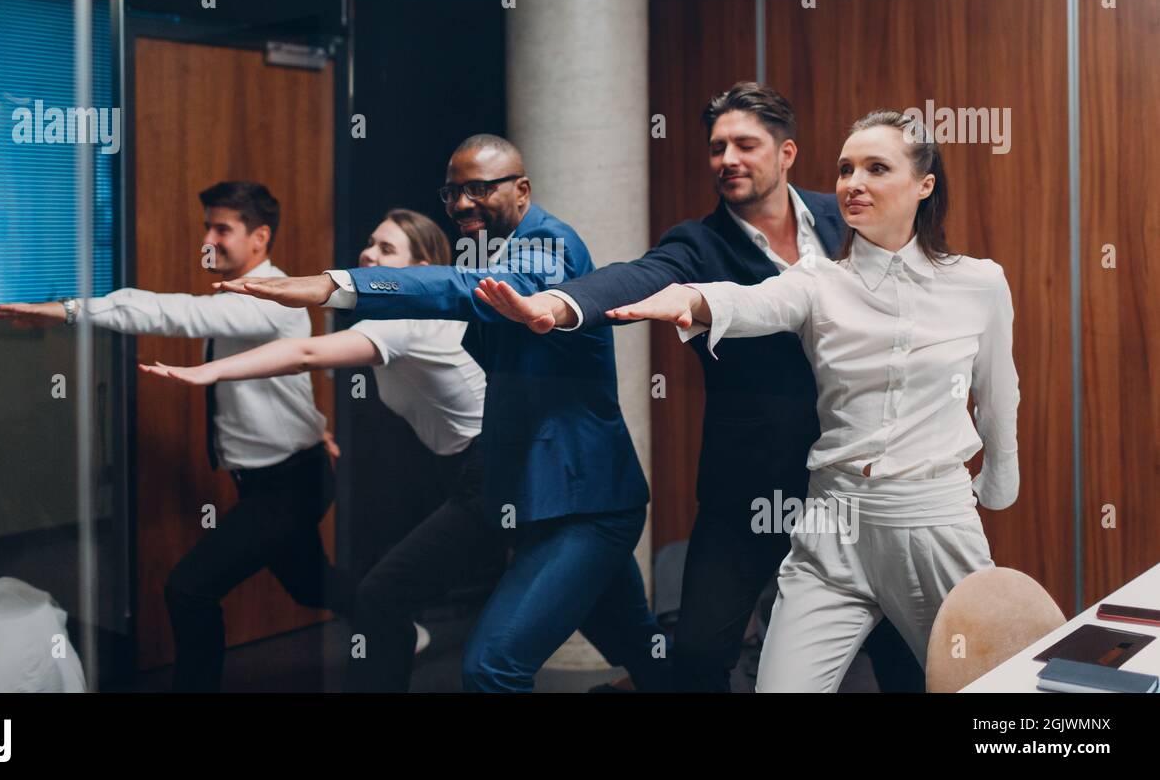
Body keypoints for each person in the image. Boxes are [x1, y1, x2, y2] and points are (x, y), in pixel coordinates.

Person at [473, 82, 923, 692]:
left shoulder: (844, 218)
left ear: (786, 153)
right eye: (716, 148)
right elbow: (635, 276)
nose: (727, 160)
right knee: (699, 655)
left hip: (857, 480)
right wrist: (558, 304)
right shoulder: (697, 244)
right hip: (749, 484)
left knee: (902, 648)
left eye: (744, 144)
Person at [215, 134, 672, 692]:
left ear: (522, 189)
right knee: (643, 650)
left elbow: (471, 289)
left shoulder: (548, 246)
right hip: (538, 499)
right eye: (453, 192)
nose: (460, 205)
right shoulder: (500, 250)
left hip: (583, 505)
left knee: (490, 669)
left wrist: (339, 285)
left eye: (479, 188)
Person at [596, 110, 1020, 691]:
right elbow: (751, 303)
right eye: (845, 169)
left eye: (876, 168)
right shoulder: (817, 281)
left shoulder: (981, 282)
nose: (853, 182)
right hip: (832, 527)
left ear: (924, 186)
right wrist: (690, 298)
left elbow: (998, 395)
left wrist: (1000, 475)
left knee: (985, 690)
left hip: (934, 525)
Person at [0, 180, 338, 692]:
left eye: (223, 229)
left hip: (291, 483)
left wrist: (69, 310)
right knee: (312, 585)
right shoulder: (239, 297)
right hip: (274, 476)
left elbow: (171, 312)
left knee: (189, 589)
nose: (209, 240)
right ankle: (390, 614)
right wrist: (316, 425)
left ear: (260, 237)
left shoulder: (274, 298)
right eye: (207, 228)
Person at [141, 208, 489, 691]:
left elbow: (305, 354)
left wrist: (210, 371)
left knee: (381, 597)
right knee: (329, 588)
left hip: (493, 469)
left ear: (422, 271)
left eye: (387, 249)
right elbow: (321, 346)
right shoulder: (391, 318)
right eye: (370, 242)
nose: (368, 252)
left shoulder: (407, 321)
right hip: (474, 466)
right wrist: (315, 427)